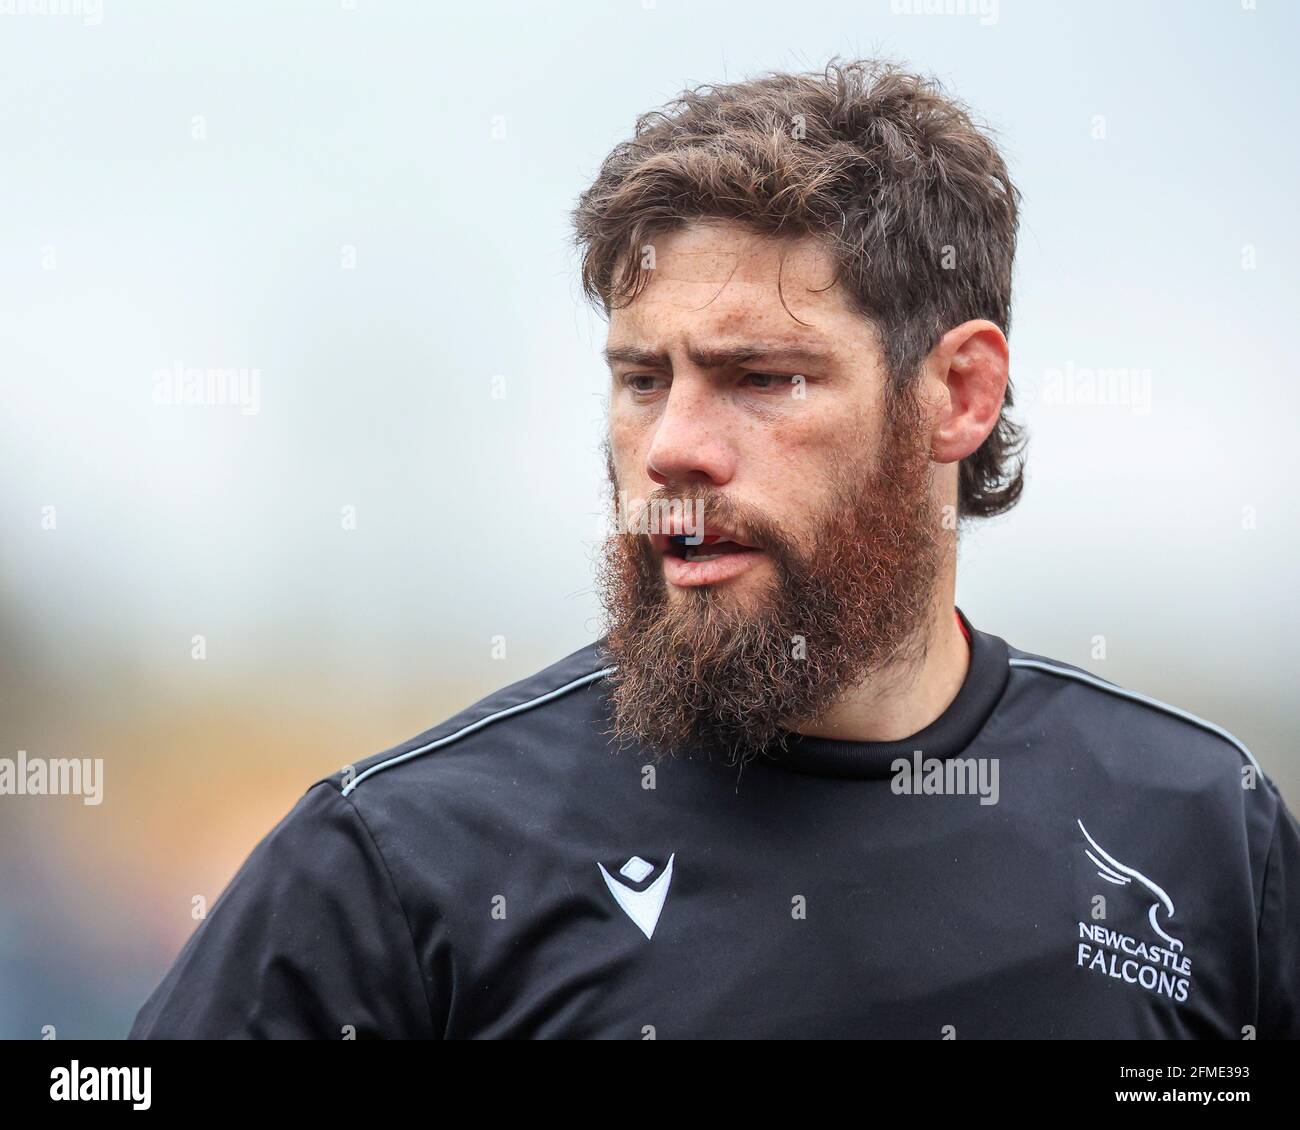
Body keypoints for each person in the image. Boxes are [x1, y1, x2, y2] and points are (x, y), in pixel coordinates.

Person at [130, 59, 1298, 1039]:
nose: (675, 448)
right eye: (643, 380)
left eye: (762, 378)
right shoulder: (398, 864)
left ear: (958, 393)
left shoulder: (1198, 829)